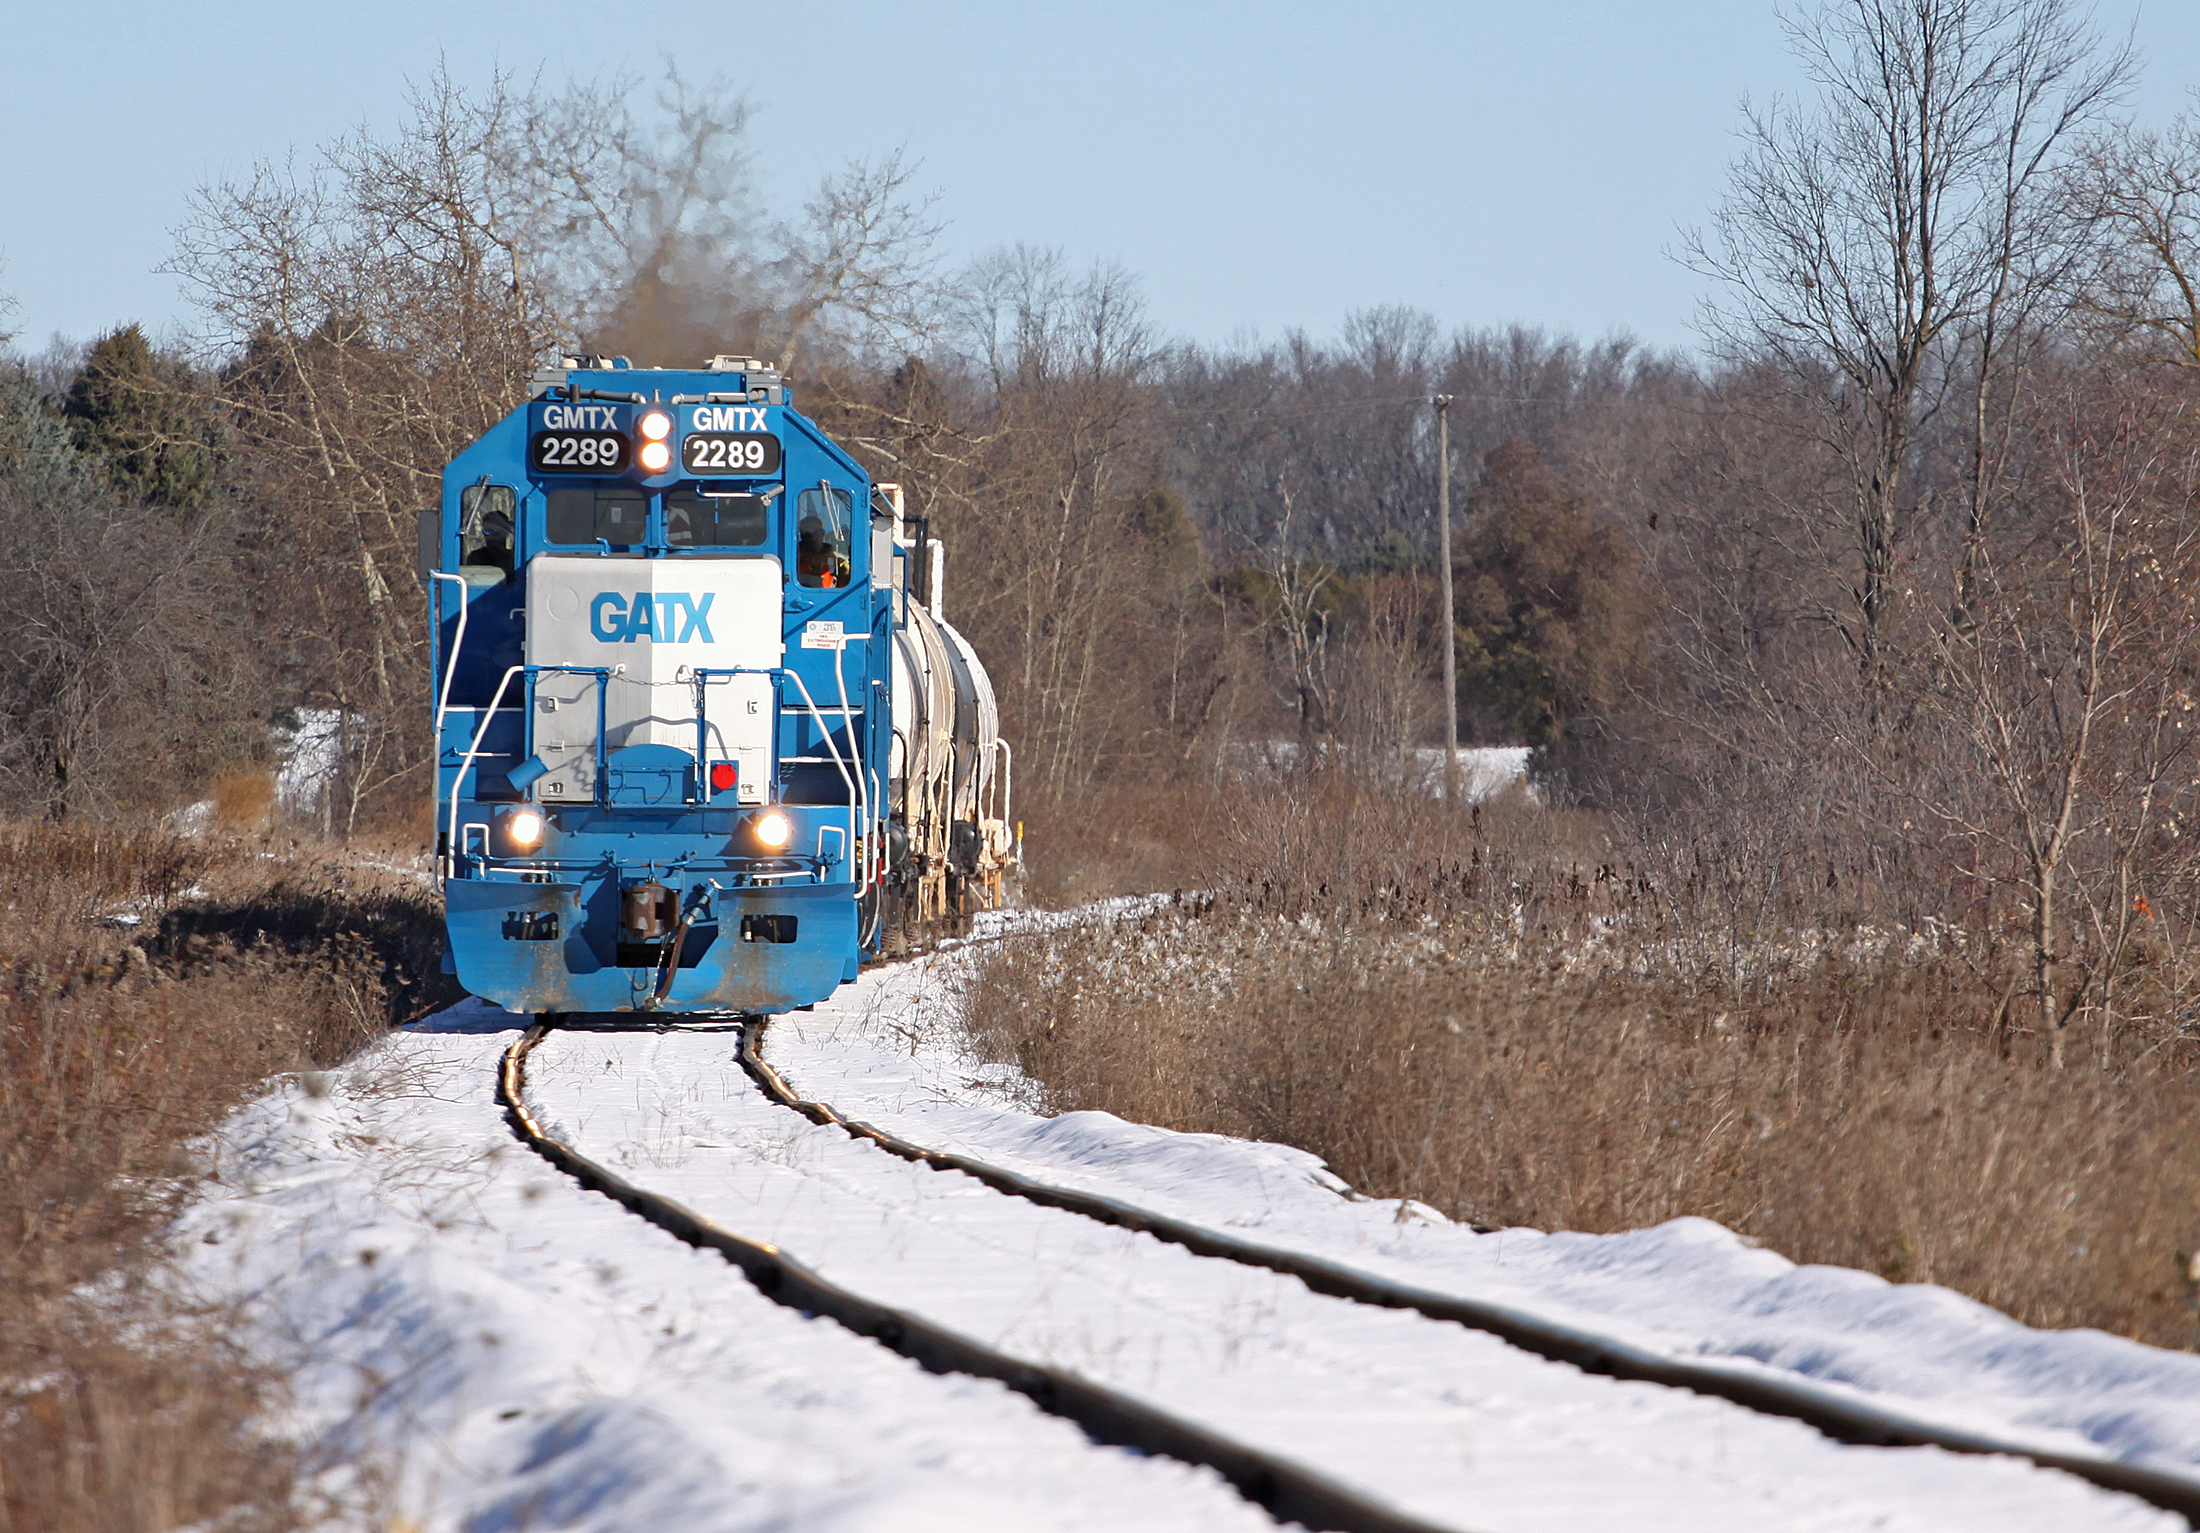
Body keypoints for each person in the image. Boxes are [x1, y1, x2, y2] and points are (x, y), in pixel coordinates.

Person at [796, 514, 848, 588]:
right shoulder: (793, 562)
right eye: (808, 534)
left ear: (823, 533)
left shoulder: (839, 564)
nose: (813, 537)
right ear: (802, 536)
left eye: (817, 532)